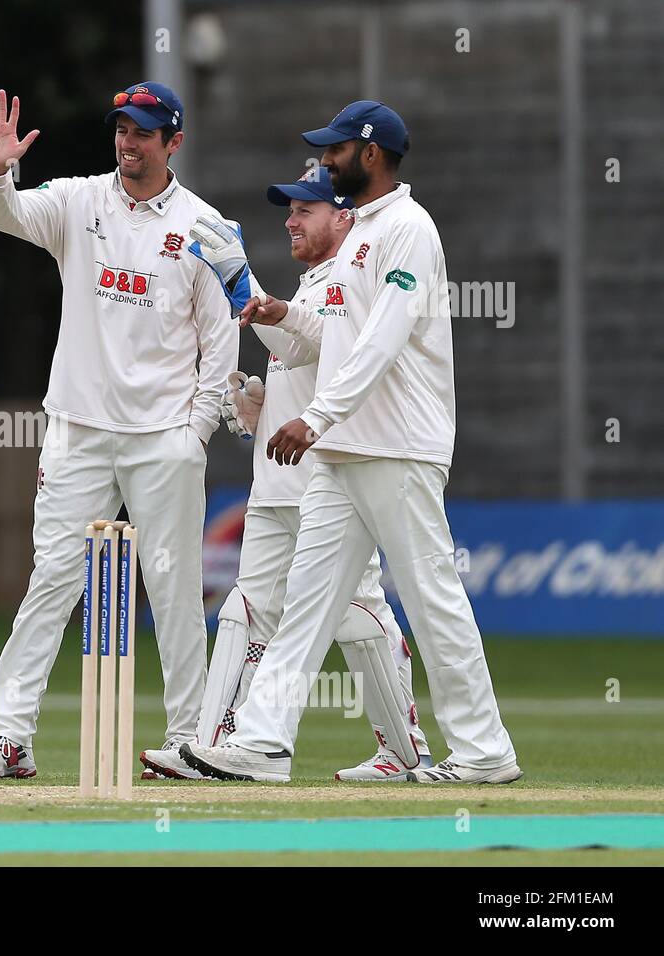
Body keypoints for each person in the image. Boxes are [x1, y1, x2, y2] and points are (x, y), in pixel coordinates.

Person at [180, 101, 521, 784]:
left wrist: (316, 418)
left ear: (370, 155)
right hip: (343, 453)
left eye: (335, 151)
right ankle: (262, 742)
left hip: (397, 444)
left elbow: (384, 339)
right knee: (305, 606)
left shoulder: (409, 230)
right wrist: (282, 313)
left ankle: (485, 754)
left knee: (431, 596)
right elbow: (334, 332)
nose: (326, 160)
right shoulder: (362, 233)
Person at [0, 85, 241, 779]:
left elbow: (225, 334)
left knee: (173, 587)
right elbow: (6, 217)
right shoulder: (79, 199)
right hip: (77, 431)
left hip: (162, 438)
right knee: (52, 577)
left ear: (173, 141)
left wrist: (196, 432)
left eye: (143, 132)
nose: (128, 142)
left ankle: (186, 739)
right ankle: (10, 737)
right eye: (121, 128)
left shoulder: (208, 228)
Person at [140, 166, 431, 781]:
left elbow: (321, 347)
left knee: (357, 614)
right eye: (289, 209)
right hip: (277, 480)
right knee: (248, 609)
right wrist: (256, 402)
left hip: (330, 475)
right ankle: (212, 740)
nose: (291, 220)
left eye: (305, 209)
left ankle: (404, 750)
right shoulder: (311, 282)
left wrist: (240, 282)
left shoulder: (352, 273)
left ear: (343, 216)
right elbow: (296, 359)